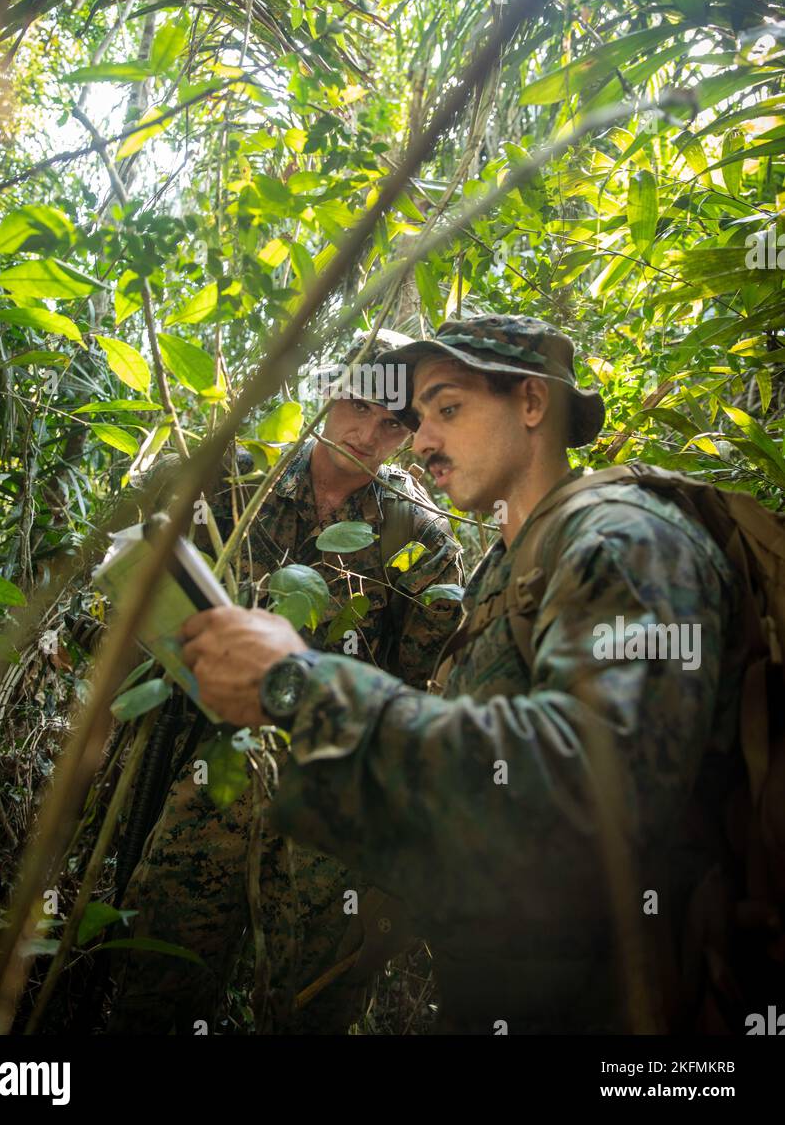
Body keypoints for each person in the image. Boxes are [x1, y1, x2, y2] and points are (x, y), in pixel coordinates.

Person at [177, 313, 747, 1034]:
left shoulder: (626, 539)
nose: (422, 442)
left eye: (447, 409)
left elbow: (589, 787)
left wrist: (299, 684)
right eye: (416, 421)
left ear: (533, 403)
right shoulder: (508, 568)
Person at [108, 370, 464, 1034]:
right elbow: (134, 556)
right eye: (358, 407)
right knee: (159, 971)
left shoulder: (419, 538)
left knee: (310, 1004)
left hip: (328, 794)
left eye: (391, 424)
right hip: (215, 765)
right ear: (330, 396)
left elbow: (421, 693)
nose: (367, 432)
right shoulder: (242, 478)